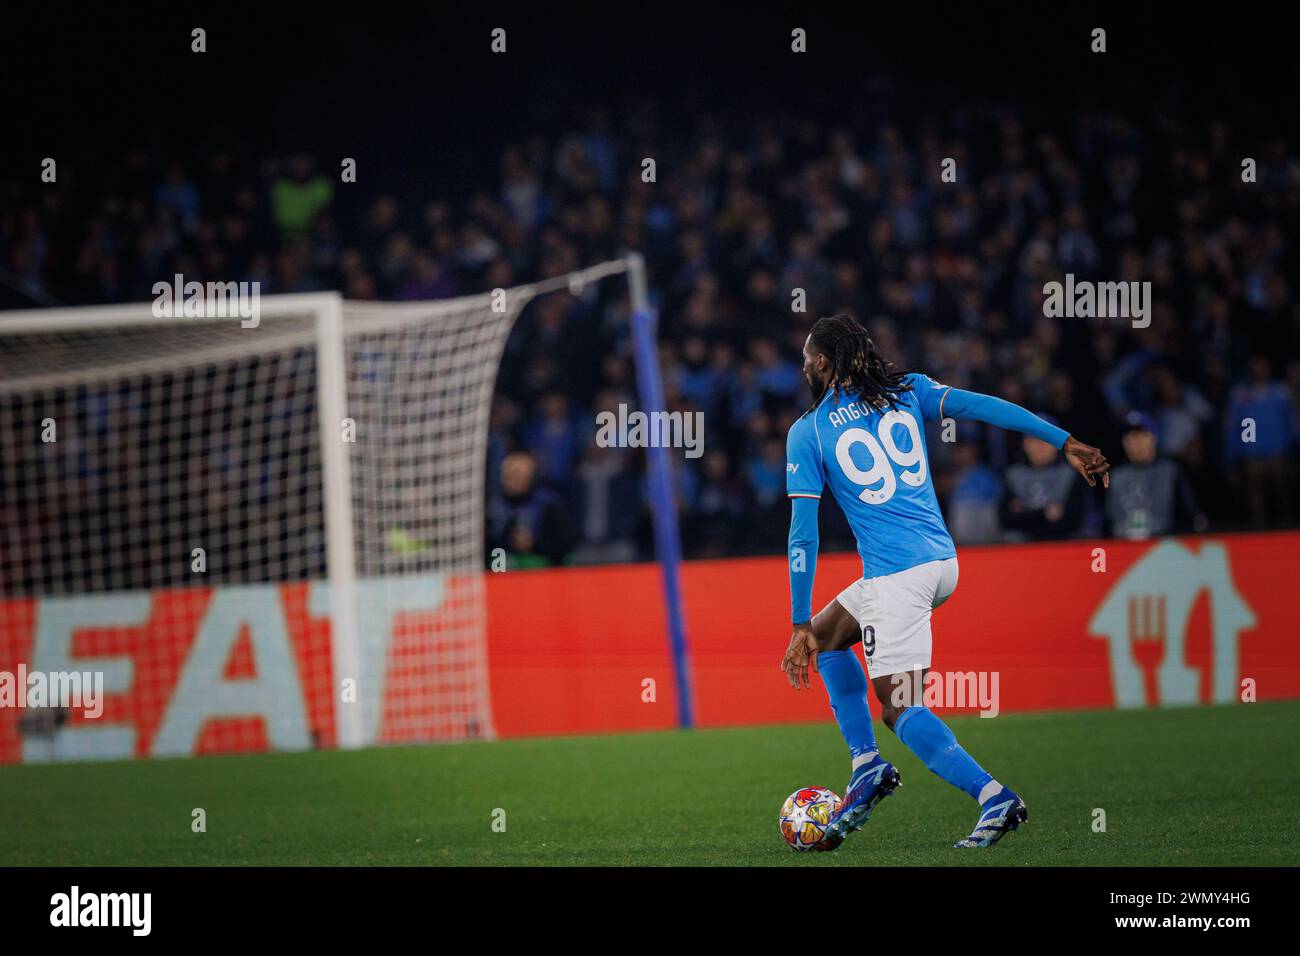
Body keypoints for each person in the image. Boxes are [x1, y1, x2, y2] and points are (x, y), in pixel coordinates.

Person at [779, 314, 1109, 849]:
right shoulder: (908, 389)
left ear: (820, 363)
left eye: (804, 359)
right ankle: (866, 766)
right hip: (941, 563)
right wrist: (1064, 439)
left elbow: (803, 537)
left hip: (897, 579)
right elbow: (987, 407)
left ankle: (995, 797)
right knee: (827, 638)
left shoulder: (808, 431)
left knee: (900, 705)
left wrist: (794, 620)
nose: (802, 367)